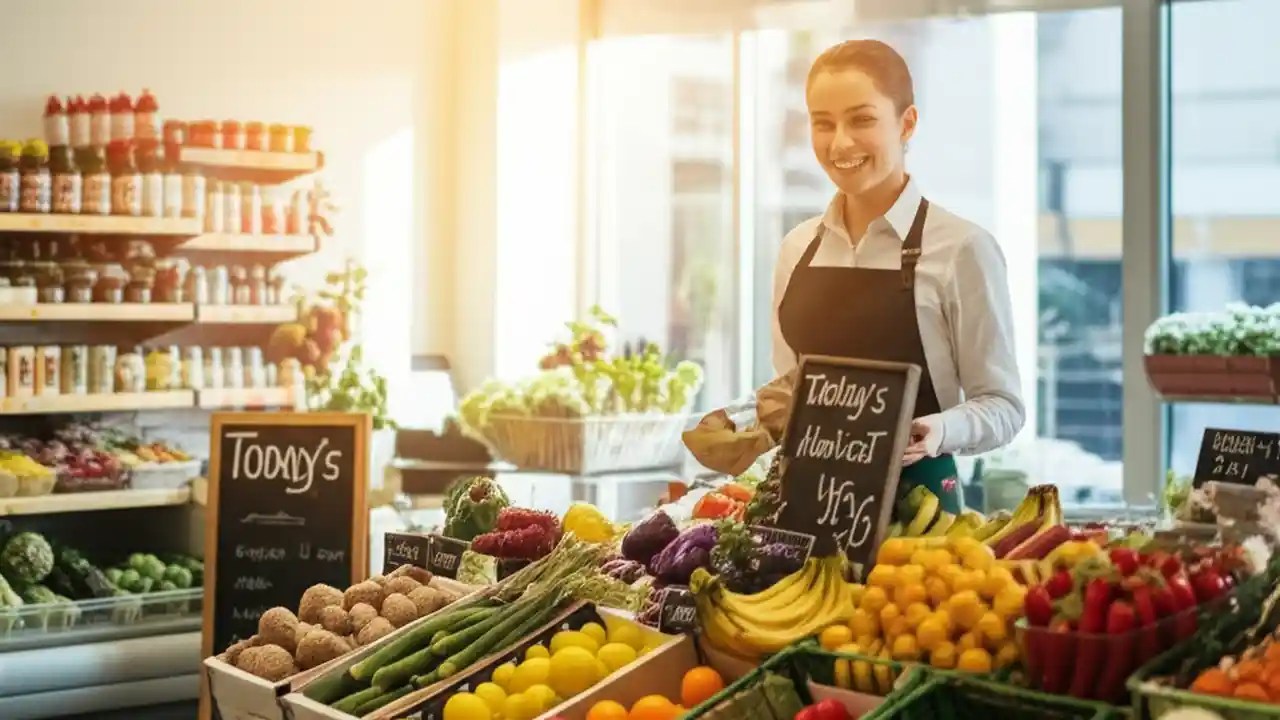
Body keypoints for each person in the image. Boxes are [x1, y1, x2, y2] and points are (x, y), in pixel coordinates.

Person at [766, 38, 1025, 514]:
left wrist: (938, 431)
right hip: (805, 511)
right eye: (823, 123)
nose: (839, 143)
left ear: (907, 123)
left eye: (862, 119)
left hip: (920, 518)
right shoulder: (797, 248)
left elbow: (1003, 407)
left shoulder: (962, 249)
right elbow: (789, 390)